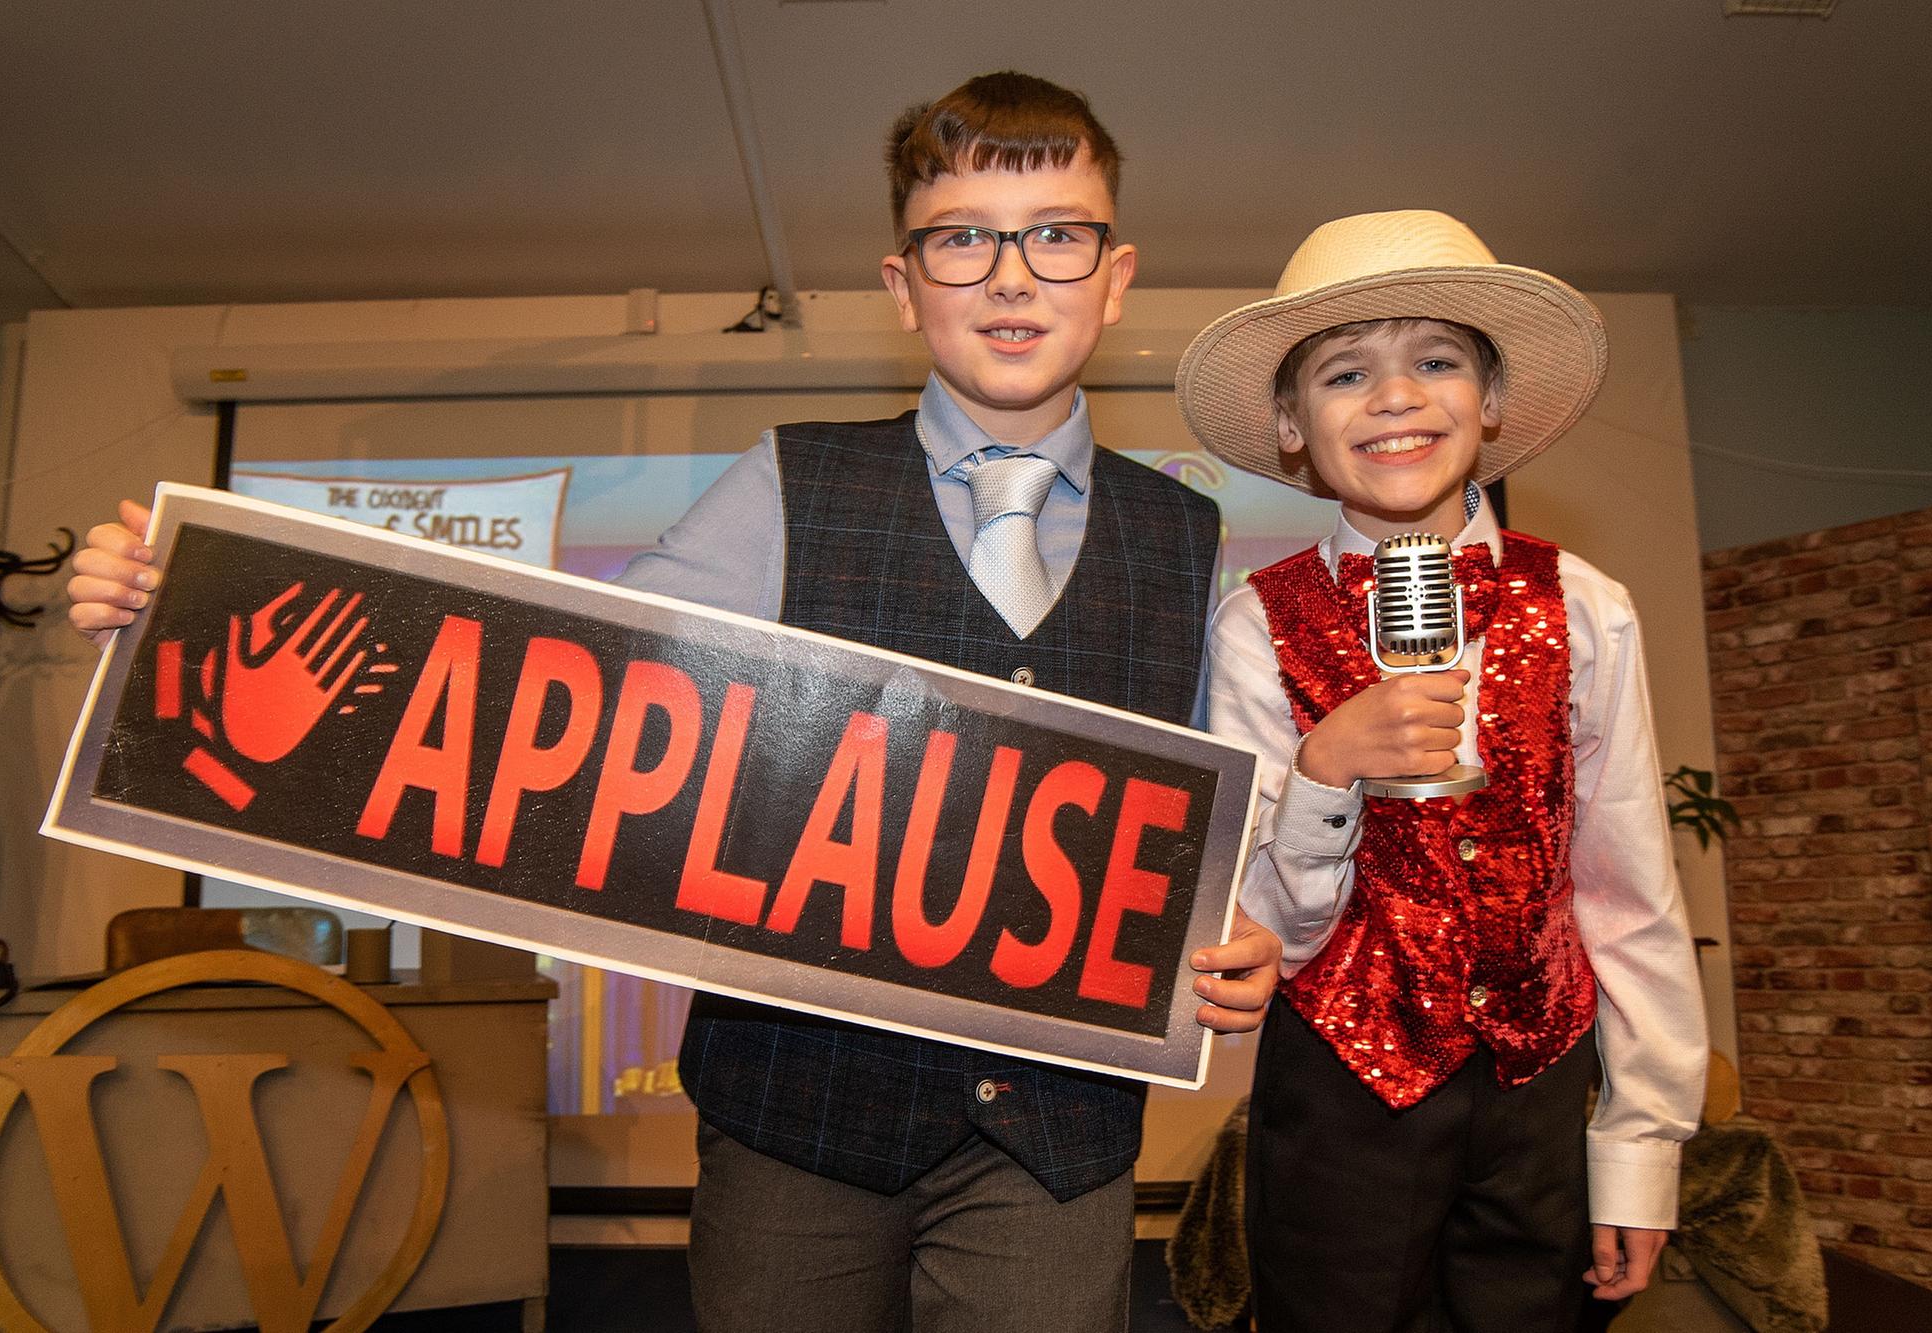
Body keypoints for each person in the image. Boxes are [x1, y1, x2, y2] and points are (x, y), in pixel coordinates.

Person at [67, 72, 1280, 1332]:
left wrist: (1239, 929)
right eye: (962, 238)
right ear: (902, 283)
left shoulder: (1186, 534)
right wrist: (174, 612)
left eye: (1057, 236)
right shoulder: (782, 484)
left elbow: (1226, 811)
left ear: (1116, 273)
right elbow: (538, 688)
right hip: (790, 1126)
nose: (1013, 276)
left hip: (1060, 1138)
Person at [1174, 210, 1708, 1332]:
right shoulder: (1250, 624)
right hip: (1341, 1094)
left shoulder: (1584, 603)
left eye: (1435, 361)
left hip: (1537, 1097)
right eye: (1343, 372)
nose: (1395, 397)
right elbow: (1267, 929)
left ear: (1492, 399)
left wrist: (1639, 1146)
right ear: (1289, 424)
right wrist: (1323, 773)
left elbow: (1625, 886)